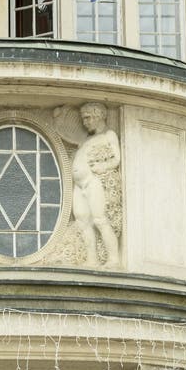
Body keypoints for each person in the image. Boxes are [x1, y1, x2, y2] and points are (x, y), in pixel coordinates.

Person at [72, 103, 121, 265]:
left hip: (94, 180)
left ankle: (113, 259)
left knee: (99, 219)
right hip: (79, 185)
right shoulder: (86, 139)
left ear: (99, 116)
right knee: (82, 221)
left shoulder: (109, 135)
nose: (85, 122)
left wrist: (103, 166)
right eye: (83, 119)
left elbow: (116, 158)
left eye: (88, 118)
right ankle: (92, 259)